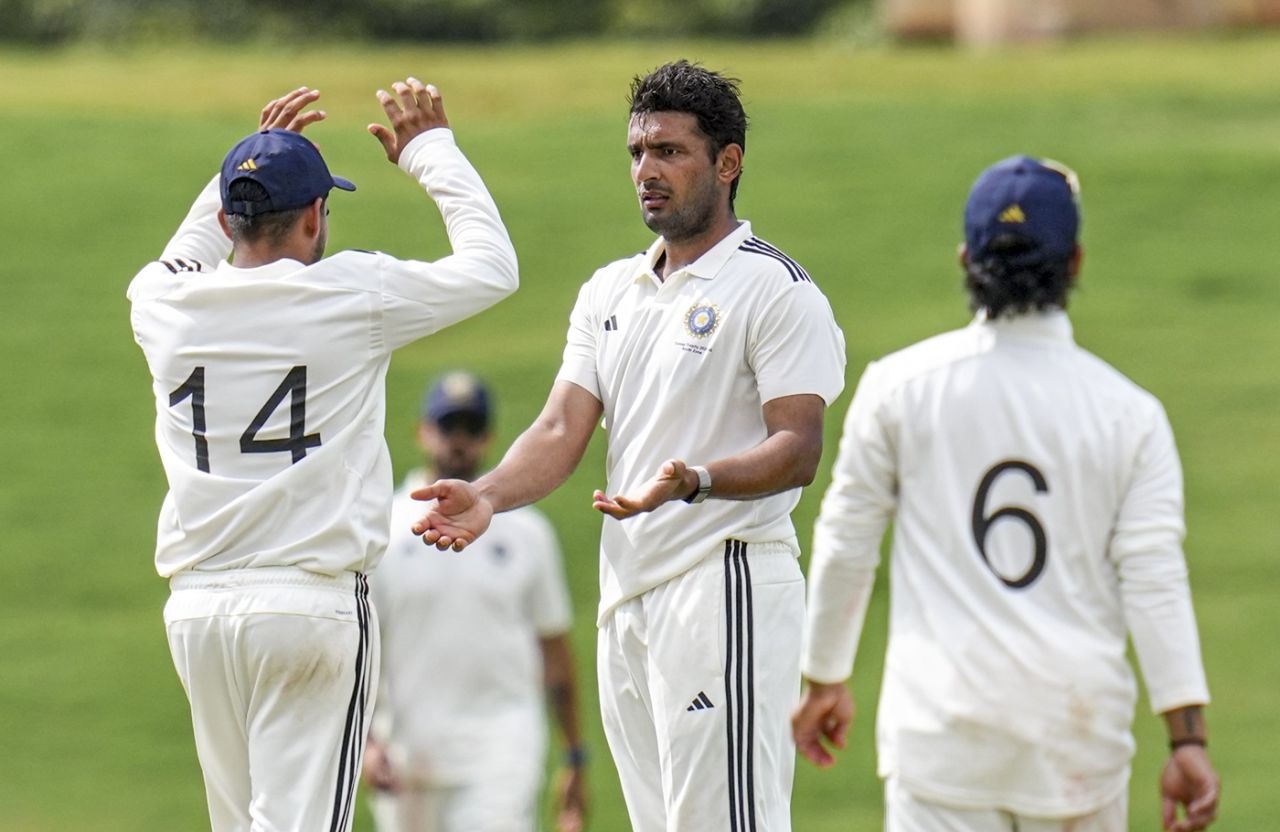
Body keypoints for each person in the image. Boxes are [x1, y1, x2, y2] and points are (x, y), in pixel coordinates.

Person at [410, 60, 847, 830]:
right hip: (629, 602)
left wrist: (696, 480)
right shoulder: (610, 290)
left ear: (728, 162)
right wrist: (488, 495)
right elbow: (558, 429)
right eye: (638, 152)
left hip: (725, 584)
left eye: (671, 152)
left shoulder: (775, 289)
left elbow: (798, 446)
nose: (647, 170)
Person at [126, 81, 518, 832]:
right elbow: (492, 267)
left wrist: (240, 167)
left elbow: (186, 252)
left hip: (199, 609)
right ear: (314, 217)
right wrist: (432, 151)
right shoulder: (350, 293)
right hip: (308, 603)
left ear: (223, 218)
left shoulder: (160, 304)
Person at [792, 156, 1220, 832]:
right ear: (1074, 262)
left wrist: (823, 677)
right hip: (1075, 744)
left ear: (966, 258)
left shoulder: (897, 389)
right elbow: (1154, 578)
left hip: (940, 742)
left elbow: (848, 540)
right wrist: (1186, 739)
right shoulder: (1130, 414)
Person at [362, 371, 588, 832]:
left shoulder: (527, 533)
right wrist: (365, 740)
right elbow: (360, 646)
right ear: (423, 431)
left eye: (471, 428)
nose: (459, 441)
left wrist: (574, 754)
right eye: (449, 427)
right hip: (407, 754)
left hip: (501, 750)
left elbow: (554, 649)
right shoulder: (381, 529)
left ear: (488, 437)